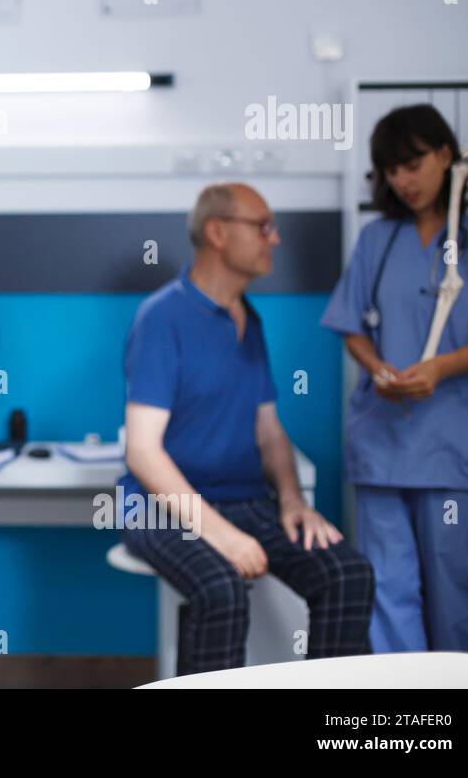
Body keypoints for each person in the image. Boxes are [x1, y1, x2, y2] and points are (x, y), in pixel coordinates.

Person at [120, 182, 374, 675]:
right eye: (262, 227)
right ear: (217, 232)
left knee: (348, 572)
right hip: (158, 508)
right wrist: (224, 536)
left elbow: (269, 431)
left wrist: (293, 501)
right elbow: (143, 453)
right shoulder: (161, 317)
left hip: (244, 501)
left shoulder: (248, 321)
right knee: (222, 587)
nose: (273, 239)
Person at [322, 104, 468, 660]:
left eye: (414, 162)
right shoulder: (379, 240)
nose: (404, 179)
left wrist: (439, 369)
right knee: (387, 586)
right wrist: (379, 370)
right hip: (383, 439)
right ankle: (404, 714)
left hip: (457, 442)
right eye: (391, 169)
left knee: (454, 590)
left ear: (446, 154)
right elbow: (350, 324)